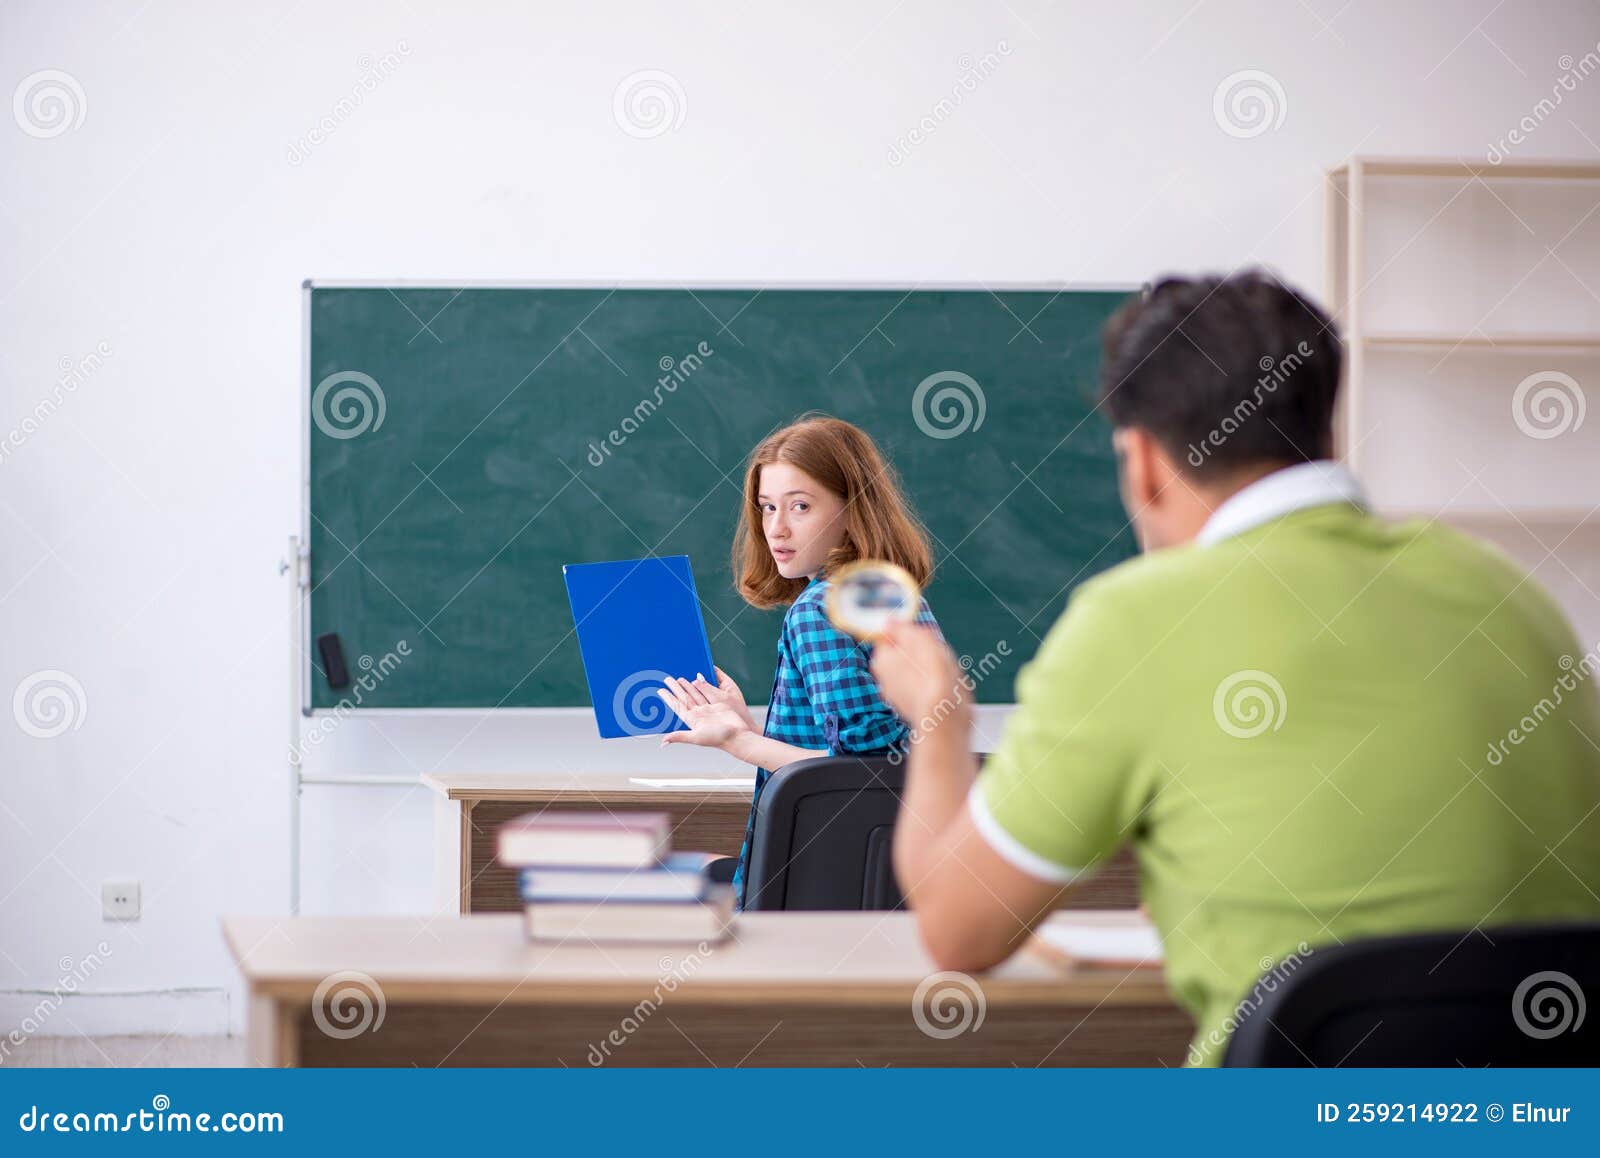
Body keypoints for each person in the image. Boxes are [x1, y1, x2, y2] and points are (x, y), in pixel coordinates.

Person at [869, 271, 1600, 1065]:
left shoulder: (1137, 622)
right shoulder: (1505, 592)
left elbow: (955, 928)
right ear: (1325, 427)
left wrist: (939, 714)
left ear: (1142, 462)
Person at [657, 414, 940, 908]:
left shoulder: (818, 609)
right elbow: (881, 761)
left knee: (640, 884)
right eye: (767, 508)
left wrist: (739, 743)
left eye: (801, 507)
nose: (777, 529)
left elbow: (864, 774)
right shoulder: (892, 596)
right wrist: (749, 728)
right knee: (698, 868)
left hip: (803, 897)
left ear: (854, 510)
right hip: (887, 883)